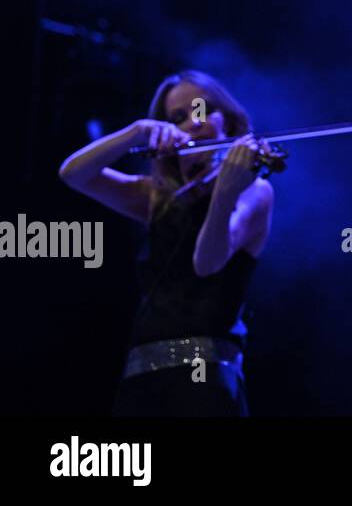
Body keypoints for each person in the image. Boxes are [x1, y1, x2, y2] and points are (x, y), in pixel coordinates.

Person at [58, 70, 274, 416]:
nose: (193, 122)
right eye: (177, 117)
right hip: (142, 380)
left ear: (228, 121)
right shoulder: (156, 197)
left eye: (202, 109)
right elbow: (73, 173)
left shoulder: (253, 190)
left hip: (206, 378)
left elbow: (207, 263)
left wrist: (223, 195)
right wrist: (137, 131)